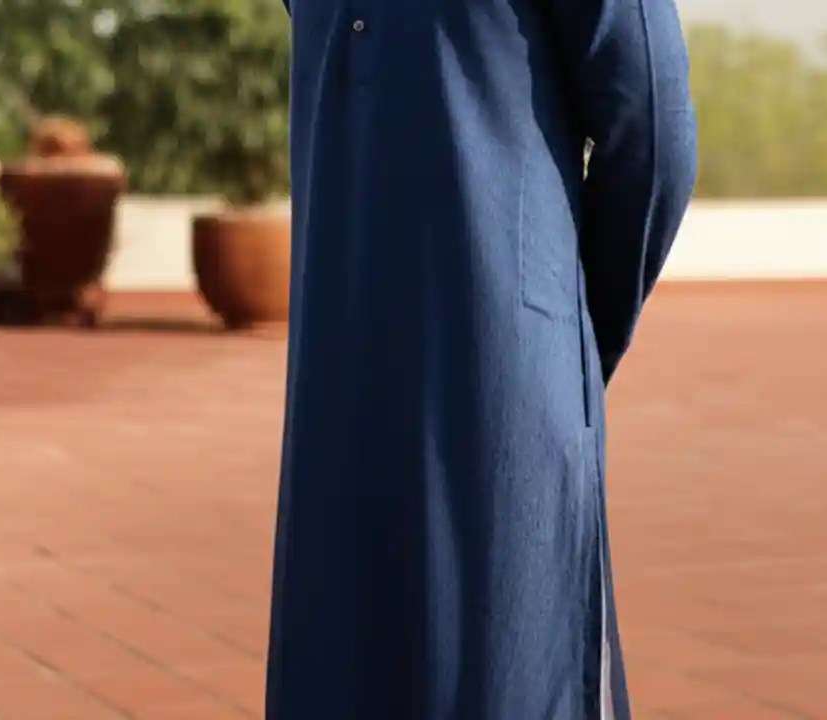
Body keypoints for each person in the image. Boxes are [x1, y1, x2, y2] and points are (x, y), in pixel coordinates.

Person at [267, 0, 697, 717]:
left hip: (496, 399)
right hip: (338, 381)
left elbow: (654, 134)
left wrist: (556, 335)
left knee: (508, 674)